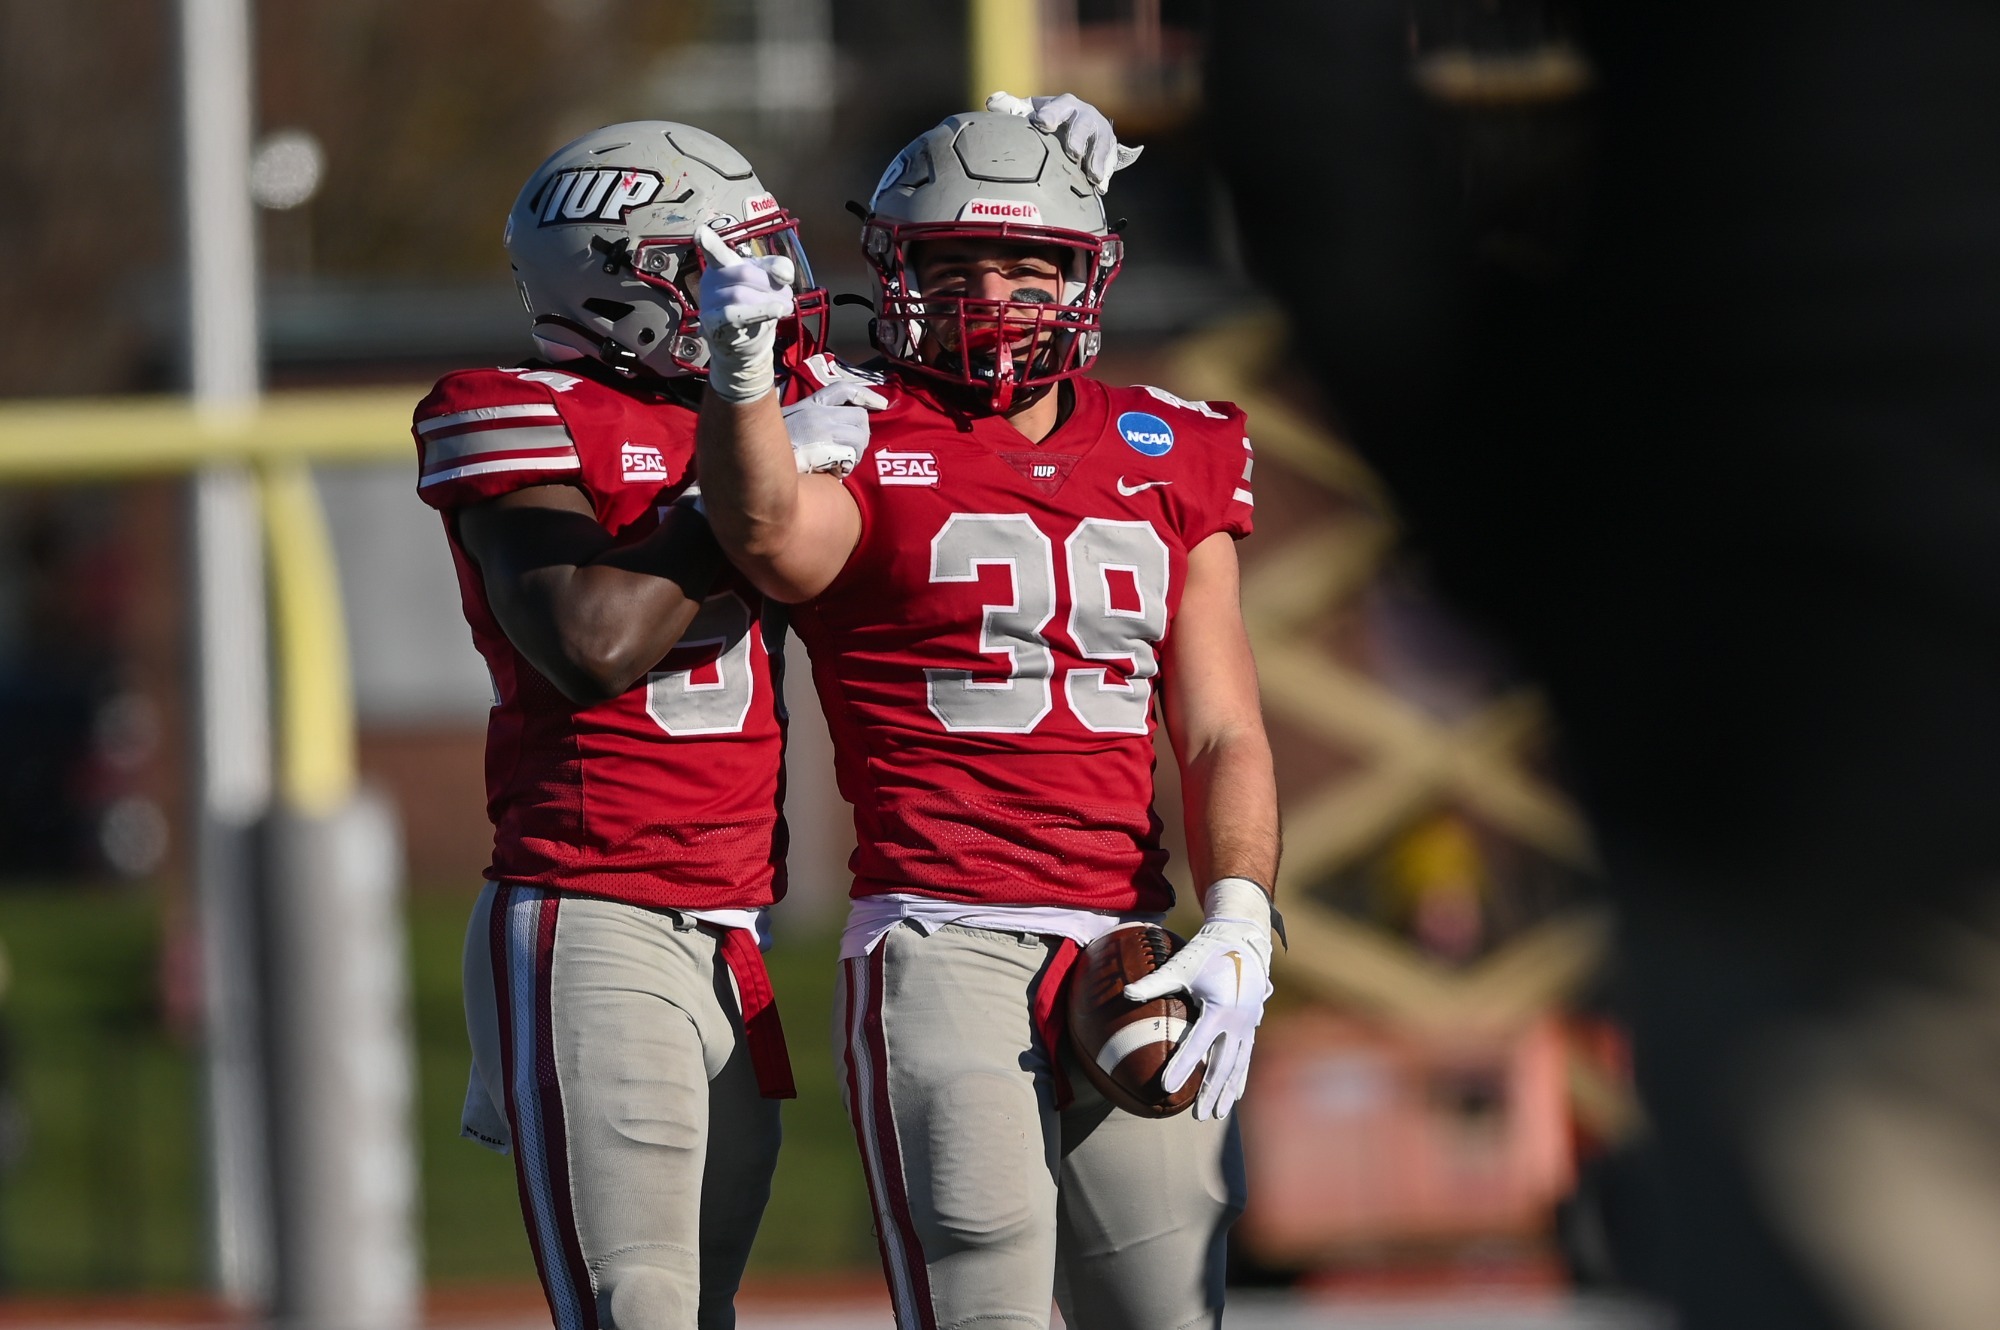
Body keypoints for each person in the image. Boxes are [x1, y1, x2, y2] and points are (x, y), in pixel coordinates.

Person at [692, 105, 1282, 1330]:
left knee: (1170, 1305)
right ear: (896, 271)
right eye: (955, 264)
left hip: (1130, 932)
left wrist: (1237, 914)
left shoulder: (1174, 444)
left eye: (1027, 263)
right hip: (940, 931)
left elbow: (1220, 725)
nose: (992, 293)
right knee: (981, 1301)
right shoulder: (848, 427)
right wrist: (743, 386)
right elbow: (766, 540)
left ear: (1087, 273)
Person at [411, 120, 855, 1330]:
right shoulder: (509, 408)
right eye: (719, 265)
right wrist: (736, 497)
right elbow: (588, 641)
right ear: (621, 282)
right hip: (590, 909)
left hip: (731, 924)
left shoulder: (778, 407)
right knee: (636, 1303)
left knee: (698, 1309)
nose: (767, 294)